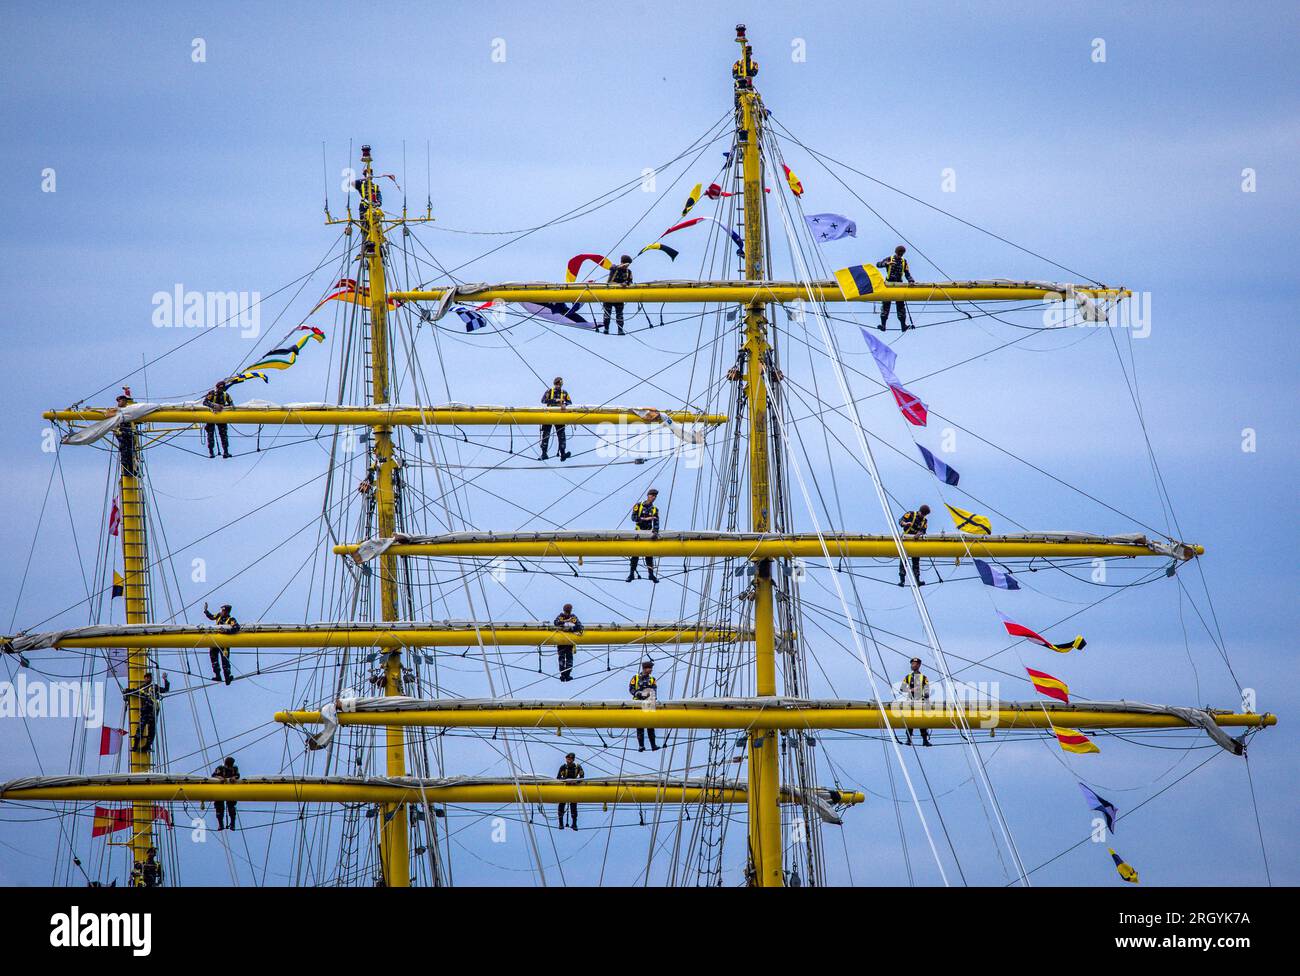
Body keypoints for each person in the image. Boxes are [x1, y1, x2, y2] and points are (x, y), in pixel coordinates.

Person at [124, 671, 170, 753]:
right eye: (145, 678)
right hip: (145, 710)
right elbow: (134, 691)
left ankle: (147, 746)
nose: (147, 679)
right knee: (140, 728)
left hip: (153, 710)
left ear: (150, 679)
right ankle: (135, 745)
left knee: (151, 729)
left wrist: (165, 680)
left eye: (148, 678)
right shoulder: (142, 688)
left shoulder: (154, 687)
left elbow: (166, 689)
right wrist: (127, 691)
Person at [876, 245, 916, 331]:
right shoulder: (889, 259)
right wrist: (886, 264)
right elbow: (878, 264)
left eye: (901, 254)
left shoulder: (904, 261)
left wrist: (911, 280)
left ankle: (903, 325)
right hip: (889, 284)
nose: (900, 256)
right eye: (899, 254)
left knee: (901, 306)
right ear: (896, 252)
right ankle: (883, 325)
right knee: (886, 305)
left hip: (899, 285)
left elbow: (907, 273)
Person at [627, 488, 660, 583]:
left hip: (648, 533)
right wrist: (644, 519)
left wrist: (655, 532)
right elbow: (633, 518)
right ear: (648, 495)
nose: (653, 498)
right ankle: (631, 574)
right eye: (652, 495)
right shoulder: (638, 506)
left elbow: (656, 523)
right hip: (638, 532)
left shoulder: (655, 509)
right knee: (635, 554)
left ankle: (651, 574)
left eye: (655, 496)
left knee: (649, 554)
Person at [203, 601, 240, 685]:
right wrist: (206, 611)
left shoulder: (231, 619)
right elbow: (212, 617)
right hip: (216, 641)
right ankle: (217, 675)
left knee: (225, 661)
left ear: (227, 612)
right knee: (213, 658)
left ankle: (227, 677)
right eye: (222, 611)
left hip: (224, 643)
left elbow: (236, 627)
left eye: (223, 611)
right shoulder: (219, 616)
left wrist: (226, 631)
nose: (221, 612)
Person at [899, 657, 932, 746]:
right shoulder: (908, 677)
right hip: (910, 701)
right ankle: (909, 739)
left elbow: (927, 688)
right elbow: (902, 688)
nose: (913, 665)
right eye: (912, 664)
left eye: (915, 664)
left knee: (922, 721)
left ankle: (925, 740)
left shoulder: (924, 677)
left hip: (920, 702)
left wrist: (926, 694)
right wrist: (911, 690)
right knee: (910, 720)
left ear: (919, 665)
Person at [540, 376, 572, 461]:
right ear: (554, 384)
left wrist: (564, 403)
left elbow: (569, 402)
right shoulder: (549, 391)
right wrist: (555, 401)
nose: (558, 385)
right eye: (557, 383)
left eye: (559, 384)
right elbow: (543, 400)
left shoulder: (564, 393)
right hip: (549, 414)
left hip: (559, 415)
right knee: (546, 434)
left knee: (561, 435)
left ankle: (563, 453)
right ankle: (544, 453)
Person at [629, 659, 659, 752]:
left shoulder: (652, 679)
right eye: (649, 668)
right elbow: (631, 688)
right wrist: (637, 693)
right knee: (640, 725)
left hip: (649, 703)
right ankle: (641, 745)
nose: (651, 670)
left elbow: (654, 690)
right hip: (638, 703)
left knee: (650, 725)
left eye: (651, 668)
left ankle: (653, 745)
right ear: (644, 668)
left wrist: (653, 697)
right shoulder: (636, 677)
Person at [897, 505, 931, 587]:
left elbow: (923, 530)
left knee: (916, 562)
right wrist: (905, 523)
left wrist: (919, 533)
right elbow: (901, 521)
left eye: (924, 515)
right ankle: (902, 580)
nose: (922, 516)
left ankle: (917, 580)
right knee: (903, 560)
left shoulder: (924, 521)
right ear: (919, 511)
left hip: (915, 542)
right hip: (906, 539)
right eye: (922, 514)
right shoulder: (911, 514)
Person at [601, 254, 633, 335]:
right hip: (609, 294)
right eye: (626, 264)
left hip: (619, 296)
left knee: (619, 314)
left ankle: (620, 330)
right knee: (607, 314)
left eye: (628, 265)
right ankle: (606, 328)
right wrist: (619, 267)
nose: (627, 267)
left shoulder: (628, 272)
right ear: (622, 262)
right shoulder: (614, 268)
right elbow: (611, 273)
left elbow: (630, 282)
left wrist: (626, 283)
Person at [202, 380, 234, 459]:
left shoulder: (226, 395)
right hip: (212, 415)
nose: (221, 389)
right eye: (220, 388)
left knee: (224, 435)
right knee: (210, 433)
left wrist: (225, 407)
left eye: (222, 388)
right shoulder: (212, 393)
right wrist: (214, 405)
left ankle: (225, 452)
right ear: (217, 388)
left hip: (221, 416)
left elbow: (232, 405)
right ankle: (211, 452)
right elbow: (205, 402)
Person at [553, 603, 583, 682]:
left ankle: (567, 674)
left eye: (568, 611)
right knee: (562, 658)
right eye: (566, 611)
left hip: (569, 640)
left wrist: (570, 629)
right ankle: (563, 674)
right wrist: (565, 621)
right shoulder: (561, 617)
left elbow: (579, 626)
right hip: (561, 640)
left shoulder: (573, 617)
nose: (567, 613)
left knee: (569, 658)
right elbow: (556, 623)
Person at [556, 752, 584, 830]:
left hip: (573, 788)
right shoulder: (563, 767)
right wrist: (565, 781)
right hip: (565, 788)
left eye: (571, 759)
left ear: (573, 759)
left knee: (573, 806)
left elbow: (582, 776)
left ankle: (574, 824)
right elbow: (558, 777)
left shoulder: (578, 767)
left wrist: (576, 781)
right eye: (568, 759)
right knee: (561, 805)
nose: (569, 760)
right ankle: (561, 823)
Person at [212, 755, 240, 830]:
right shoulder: (220, 768)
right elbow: (214, 775)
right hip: (220, 790)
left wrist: (234, 778)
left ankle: (232, 824)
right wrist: (220, 778)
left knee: (231, 807)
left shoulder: (235, 768)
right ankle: (220, 824)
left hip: (230, 789)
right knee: (219, 807)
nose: (230, 768)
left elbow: (237, 775)